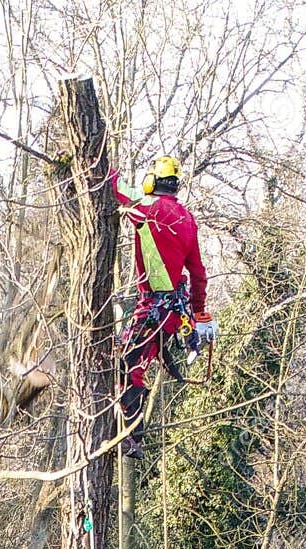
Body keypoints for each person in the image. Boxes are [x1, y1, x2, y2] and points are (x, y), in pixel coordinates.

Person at [111, 156, 215, 454]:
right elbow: (198, 274)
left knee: (128, 363)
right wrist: (197, 311)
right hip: (174, 311)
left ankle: (131, 437)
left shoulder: (148, 208)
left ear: (153, 181)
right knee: (133, 362)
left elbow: (117, 187)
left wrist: (101, 163)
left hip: (155, 305)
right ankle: (130, 434)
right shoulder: (188, 218)